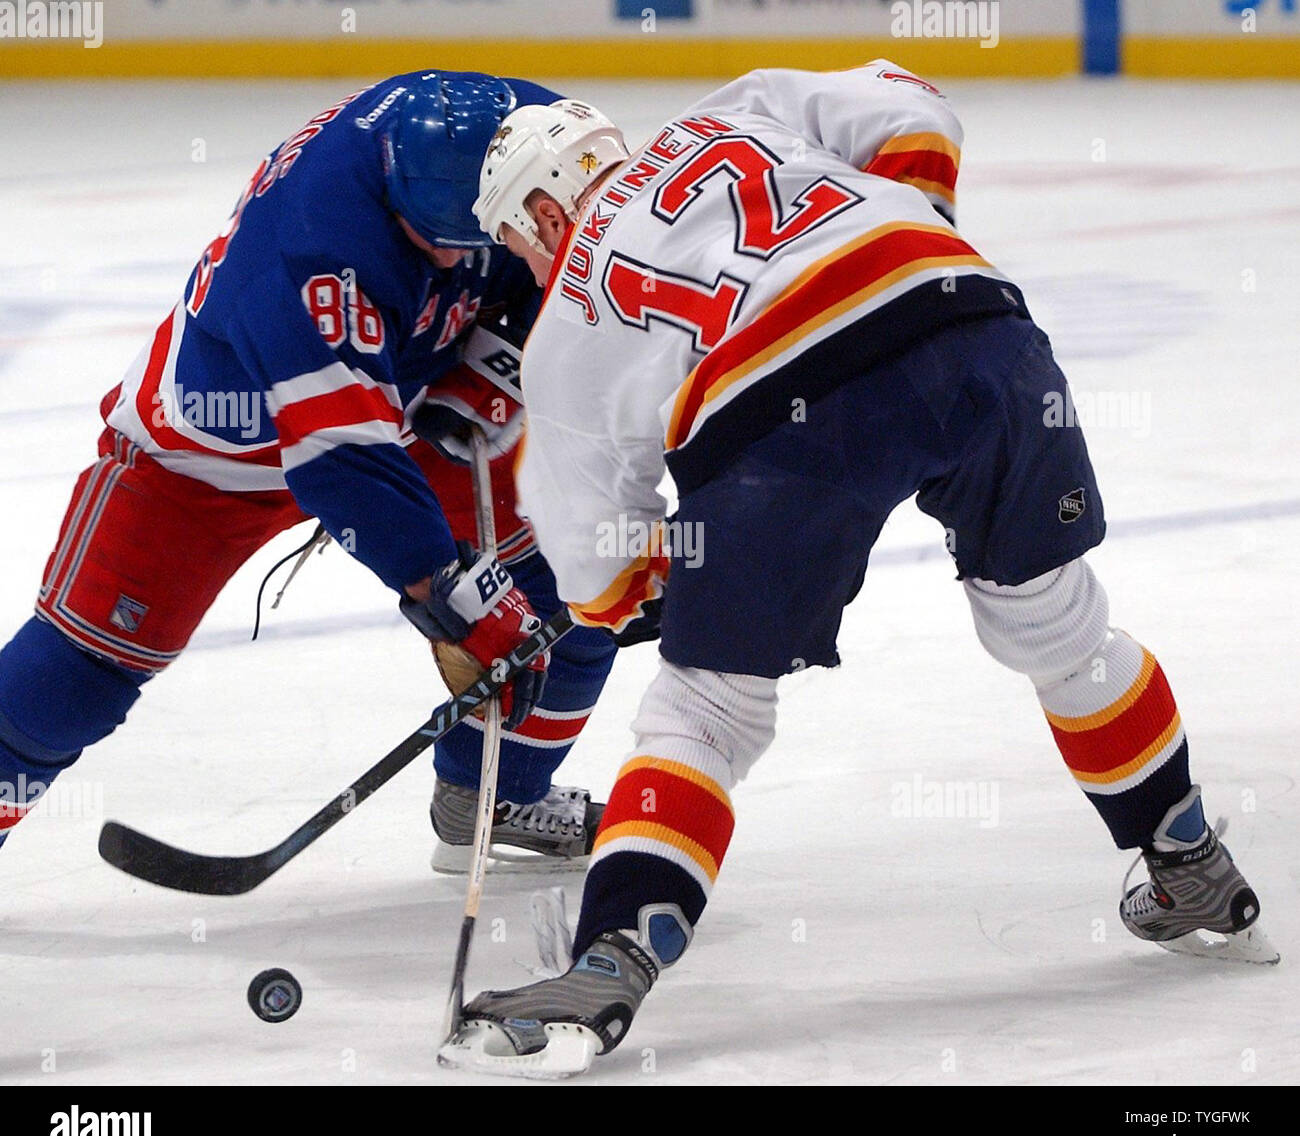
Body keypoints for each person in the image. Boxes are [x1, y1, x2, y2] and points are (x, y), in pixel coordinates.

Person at [441, 61, 1278, 1077]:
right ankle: (1187, 860)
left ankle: (606, 963)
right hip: (980, 329)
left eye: (517, 238)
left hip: (786, 424)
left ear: (539, 206)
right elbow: (910, 99)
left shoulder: (565, 325)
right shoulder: (729, 113)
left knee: (702, 712)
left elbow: (589, 549)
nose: (524, 263)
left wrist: (642, 588)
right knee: (1055, 621)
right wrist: (909, 243)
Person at [0, 70, 616, 873]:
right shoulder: (312, 253)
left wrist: (491, 375)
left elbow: (578, 267)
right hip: (210, 455)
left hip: (406, 399)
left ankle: (490, 793)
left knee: (573, 591)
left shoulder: (519, 130)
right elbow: (347, 468)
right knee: (76, 678)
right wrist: (454, 596)